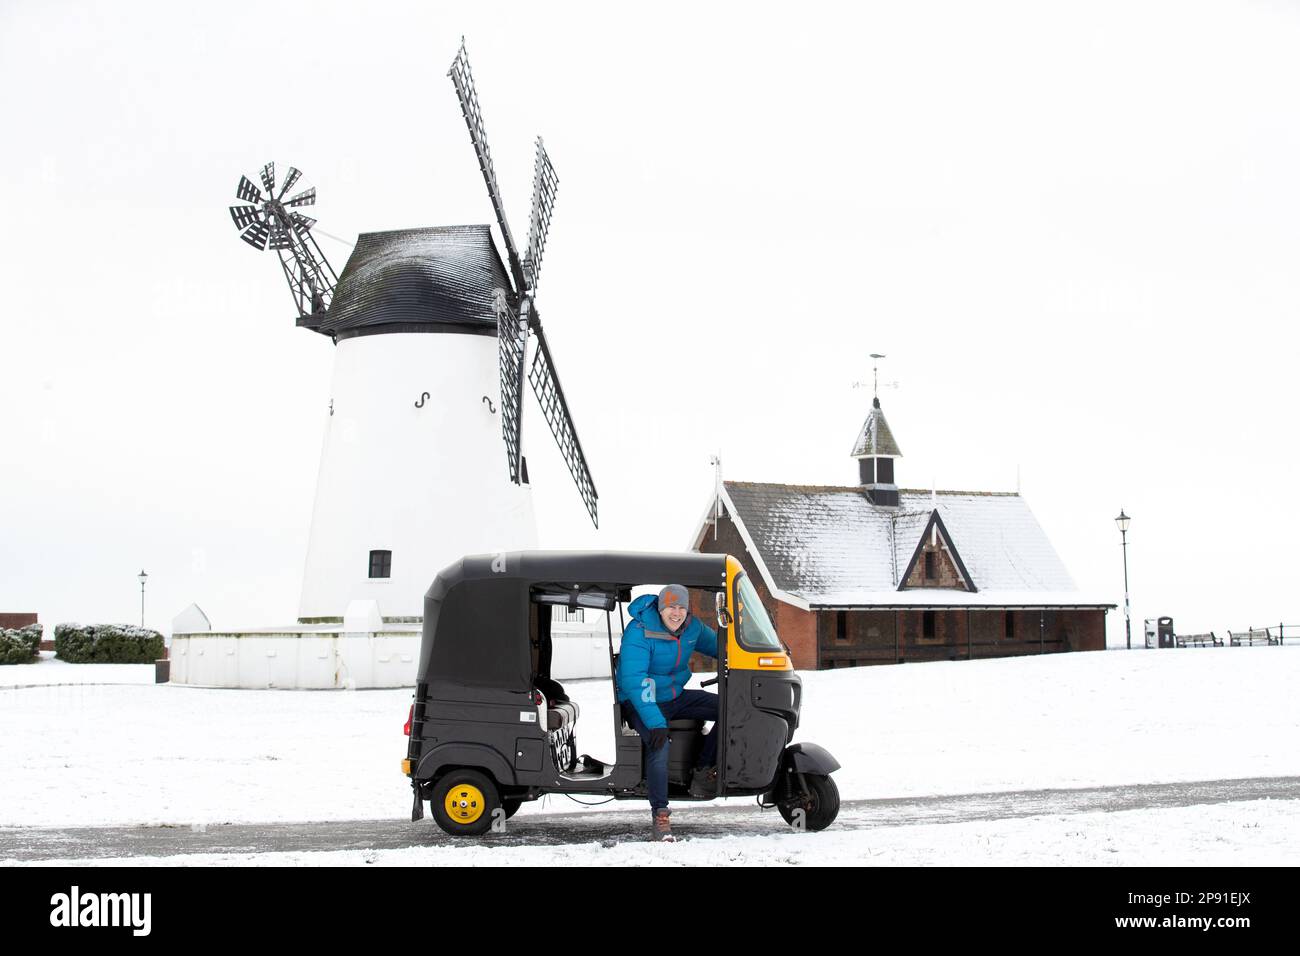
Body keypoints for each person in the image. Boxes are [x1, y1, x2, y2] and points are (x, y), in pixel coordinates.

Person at [616, 583, 720, 841]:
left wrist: (753, 650)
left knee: (731, 710)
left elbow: (721, 646)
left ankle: (702, 769)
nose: (676, 613)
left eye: (681, 607)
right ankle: (660, 815)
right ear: (661, 608)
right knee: (659, 744)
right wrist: (655, 723)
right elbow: (632, 679)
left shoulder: (691, 628)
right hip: (641, 699)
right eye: (671, 607)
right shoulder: (639, 631)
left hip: (674, 695)